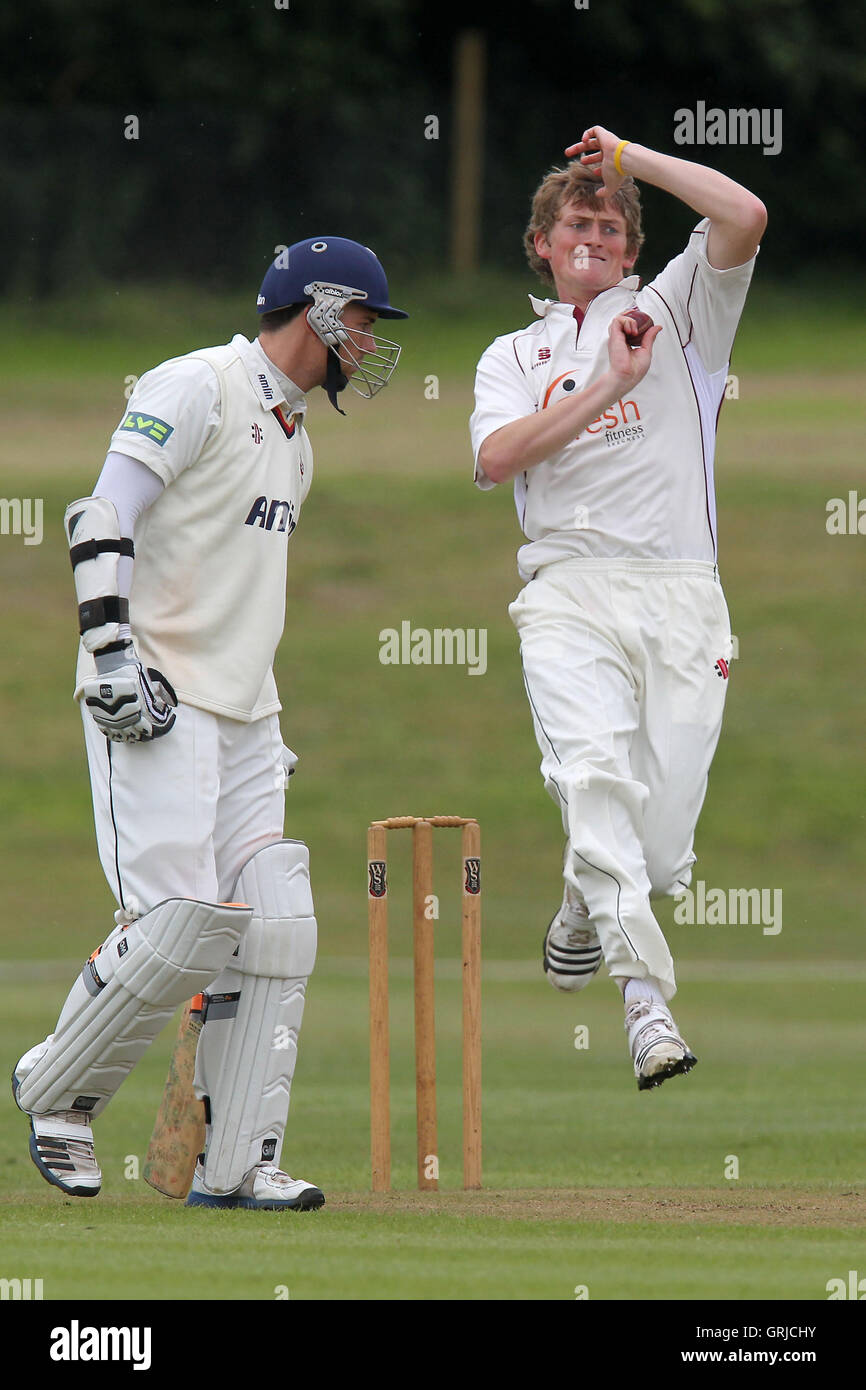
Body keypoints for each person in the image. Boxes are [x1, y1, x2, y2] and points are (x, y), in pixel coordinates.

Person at [14, 237, 407, 1204]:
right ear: (314, 309)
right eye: (360, 319)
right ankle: (56, 1093)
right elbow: (103, 513)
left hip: (246, 711)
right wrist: (111, 656)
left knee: (274, 926)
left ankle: (237, 1169)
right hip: (155, 693)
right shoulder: (199, 384)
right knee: (177, 927)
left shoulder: (298, 441)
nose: (367, 341)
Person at [470, 126, 766, 1089]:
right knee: (593, 773)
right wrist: (606, 387)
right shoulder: (513, 354)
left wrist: (630, 160)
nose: (592, 234)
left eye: (609, 222)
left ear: (633, 248)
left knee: (664, 845)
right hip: (569, 593)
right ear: (544, 245)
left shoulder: (682, 309)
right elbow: (497, 460)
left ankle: (580, 897)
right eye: (574, 222)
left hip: (683, 593)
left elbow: (744, 214)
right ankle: (646, 1004)